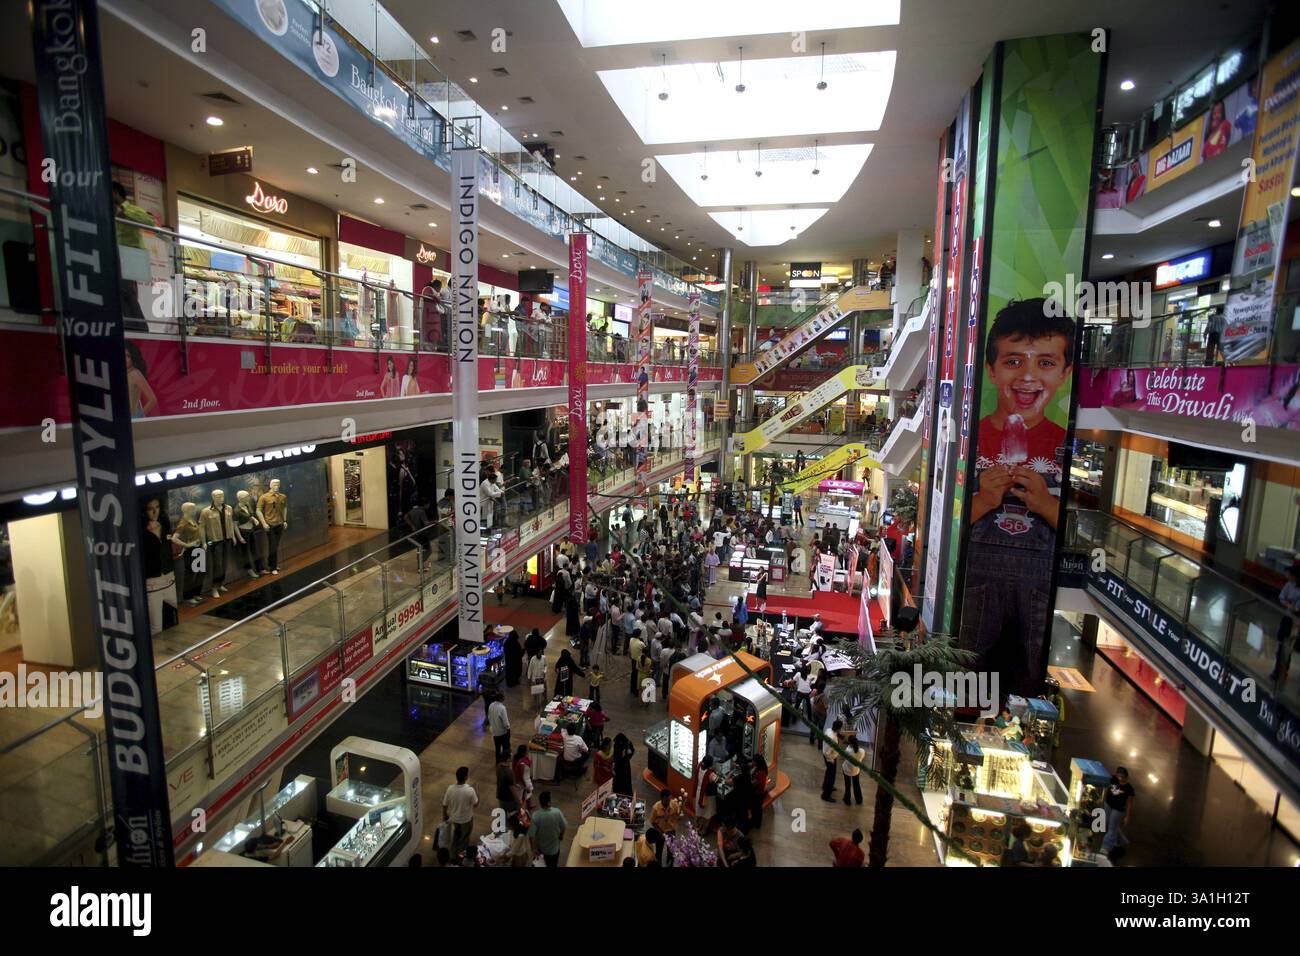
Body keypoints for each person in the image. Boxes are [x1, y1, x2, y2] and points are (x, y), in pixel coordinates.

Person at [964, 299, 1075, 697]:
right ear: (992, 370)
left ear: (1065, 372)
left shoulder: (1069, 447)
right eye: (1014, 361)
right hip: (975, 584)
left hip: (1038, 587)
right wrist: (983, 501)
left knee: (1026, 681)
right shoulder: (967, 440)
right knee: (967, 678)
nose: (1028, 377)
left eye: (1045, 363)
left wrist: (1045, 504)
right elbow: (941, 526)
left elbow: (1081, 538)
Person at [441, 766, 479, 859]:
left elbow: (445, 804)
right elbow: (476, 804)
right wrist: (477, 792)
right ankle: (460, 857)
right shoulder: (470, 790)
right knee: (464, 839)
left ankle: (453, 855)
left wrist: (445, 815)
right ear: (466, 777)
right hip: (466, 820)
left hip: (455, 819)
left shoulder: (450, 789)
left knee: (456, 836)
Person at [1271, 566, 1300, 682]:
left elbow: (1297, 608)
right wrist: (1289, 604)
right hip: (1287, 619)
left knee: (1287, 648)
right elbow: (1282, 598)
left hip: (1295, 622)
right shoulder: (1289, 585)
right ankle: (1277, 671)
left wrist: (1291, 605)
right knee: (1281, 645)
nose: (1288, 576)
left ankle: (1282, 671)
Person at [1100, 766, 1135, 860]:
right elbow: (1107, 788)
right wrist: (1103, 799)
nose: (1120, 778)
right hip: (1108, 805)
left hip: (1118, 810)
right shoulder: (1112, 779)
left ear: (1126, 777)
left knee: (1112, 827)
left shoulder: (1129, 788)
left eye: (1122, 776)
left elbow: (1129, 803)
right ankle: (1122, 840)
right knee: (1110, 824)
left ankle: (1105, 847)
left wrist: (1127, 816)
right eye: (1118, 776)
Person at [527, 791, 568, 867]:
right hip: (554, 850)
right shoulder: (557, 812)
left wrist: (533, 848)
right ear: (549, 802)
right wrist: (561, 835)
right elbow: (564, 826)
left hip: (540, 850)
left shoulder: (536, 815)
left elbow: (531, 835)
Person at [820, 718, 843, 801]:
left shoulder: (829, 730)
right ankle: (826, 795)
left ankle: (825, 786)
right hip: (830, 758)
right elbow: (827, 752)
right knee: (831, 776)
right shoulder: (832, 738)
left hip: (828, 756)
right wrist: (831, 760)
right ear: (838, 729)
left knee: (828, 772)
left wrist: (838, 735)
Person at [488, 693, 511, 762]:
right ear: (501, 699)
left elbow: (489, 717)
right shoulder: (502, 708)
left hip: (495, 731)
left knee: (497, 748)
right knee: (505, 747)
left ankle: (497, 762)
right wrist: (508, 728)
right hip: (502, 732)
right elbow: (505, 721)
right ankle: (504, 761)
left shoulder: (491, 705)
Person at [841, 735, 864, 806]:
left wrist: (848, 746)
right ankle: (859, 800)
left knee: (847, 785)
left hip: (847, 770)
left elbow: (845, 756)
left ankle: (847, 800)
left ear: (850, 743)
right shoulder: (862, 751)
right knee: (856, 784)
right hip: (856, 770)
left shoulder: (848, 750)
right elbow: (861, 758)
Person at [612, 732, 636, 796]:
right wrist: (627, 757)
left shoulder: (618, 744)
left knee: (620, 780)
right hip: (625, 764)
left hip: (620, 765)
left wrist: (624, 756)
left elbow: (615, 756)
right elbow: (632, 751)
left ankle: (620, 792)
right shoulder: (627, 742)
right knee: (626, 779)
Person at [512, 744, 535, 810]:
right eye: (527, 751)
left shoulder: (517, 757)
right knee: (522, 795)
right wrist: (525, 785)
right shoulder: (522, 763)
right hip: (522, 780)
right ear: (524, 752)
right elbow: (521, 776)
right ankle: (520, 809)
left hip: (523, 778)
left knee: (528, 793)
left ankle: (529, 805)